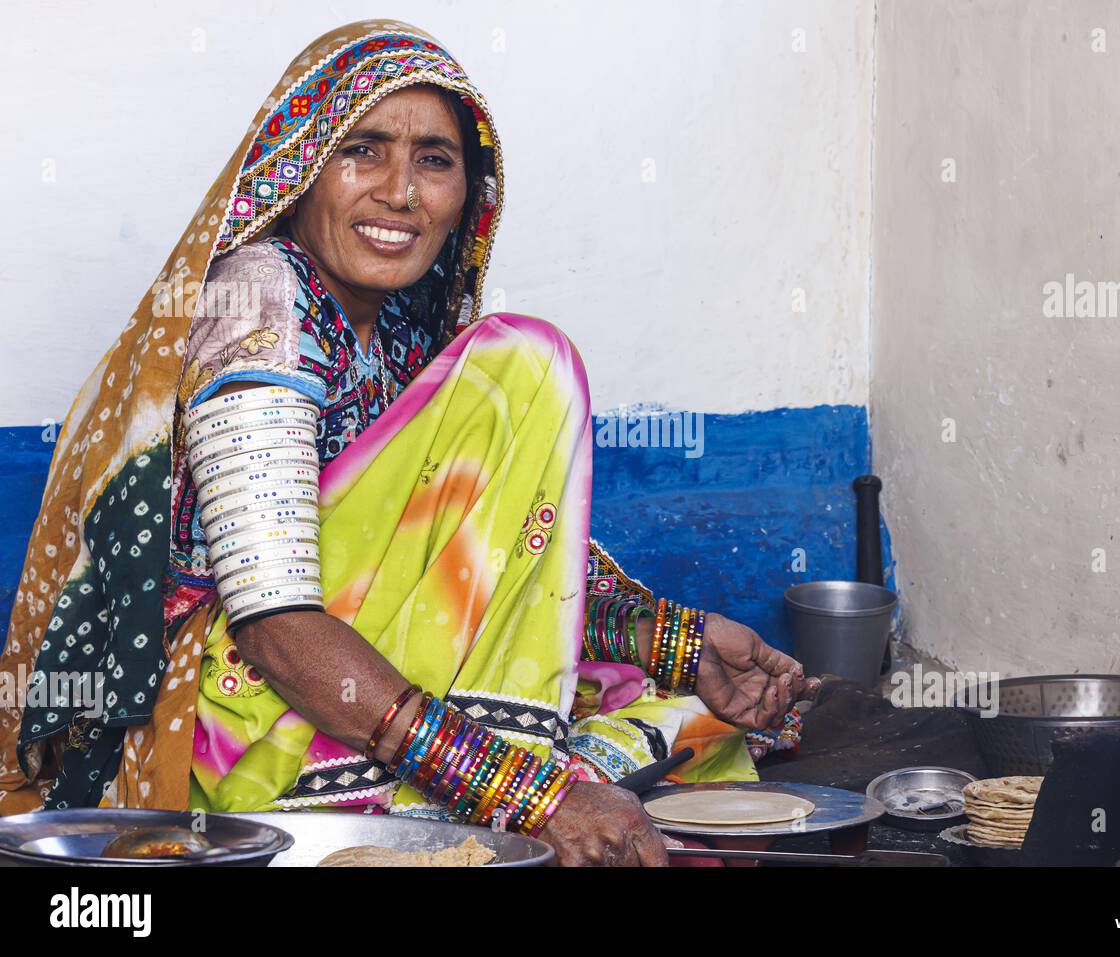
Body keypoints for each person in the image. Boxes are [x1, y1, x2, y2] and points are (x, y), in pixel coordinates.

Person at [0, 20, 818, 866]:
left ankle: (463, 783)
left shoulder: (401, 342)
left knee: (684, 716)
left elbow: (471, 589)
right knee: (527, 357)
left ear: (469, 190)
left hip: (340, 703)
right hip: (232, 726)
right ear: (305, 165)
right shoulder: (260, 298)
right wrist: (529, 792)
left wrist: (674, 641)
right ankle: (480, 785)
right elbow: (277, 623)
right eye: (363, 149)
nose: (399, 191)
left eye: (434, 159)